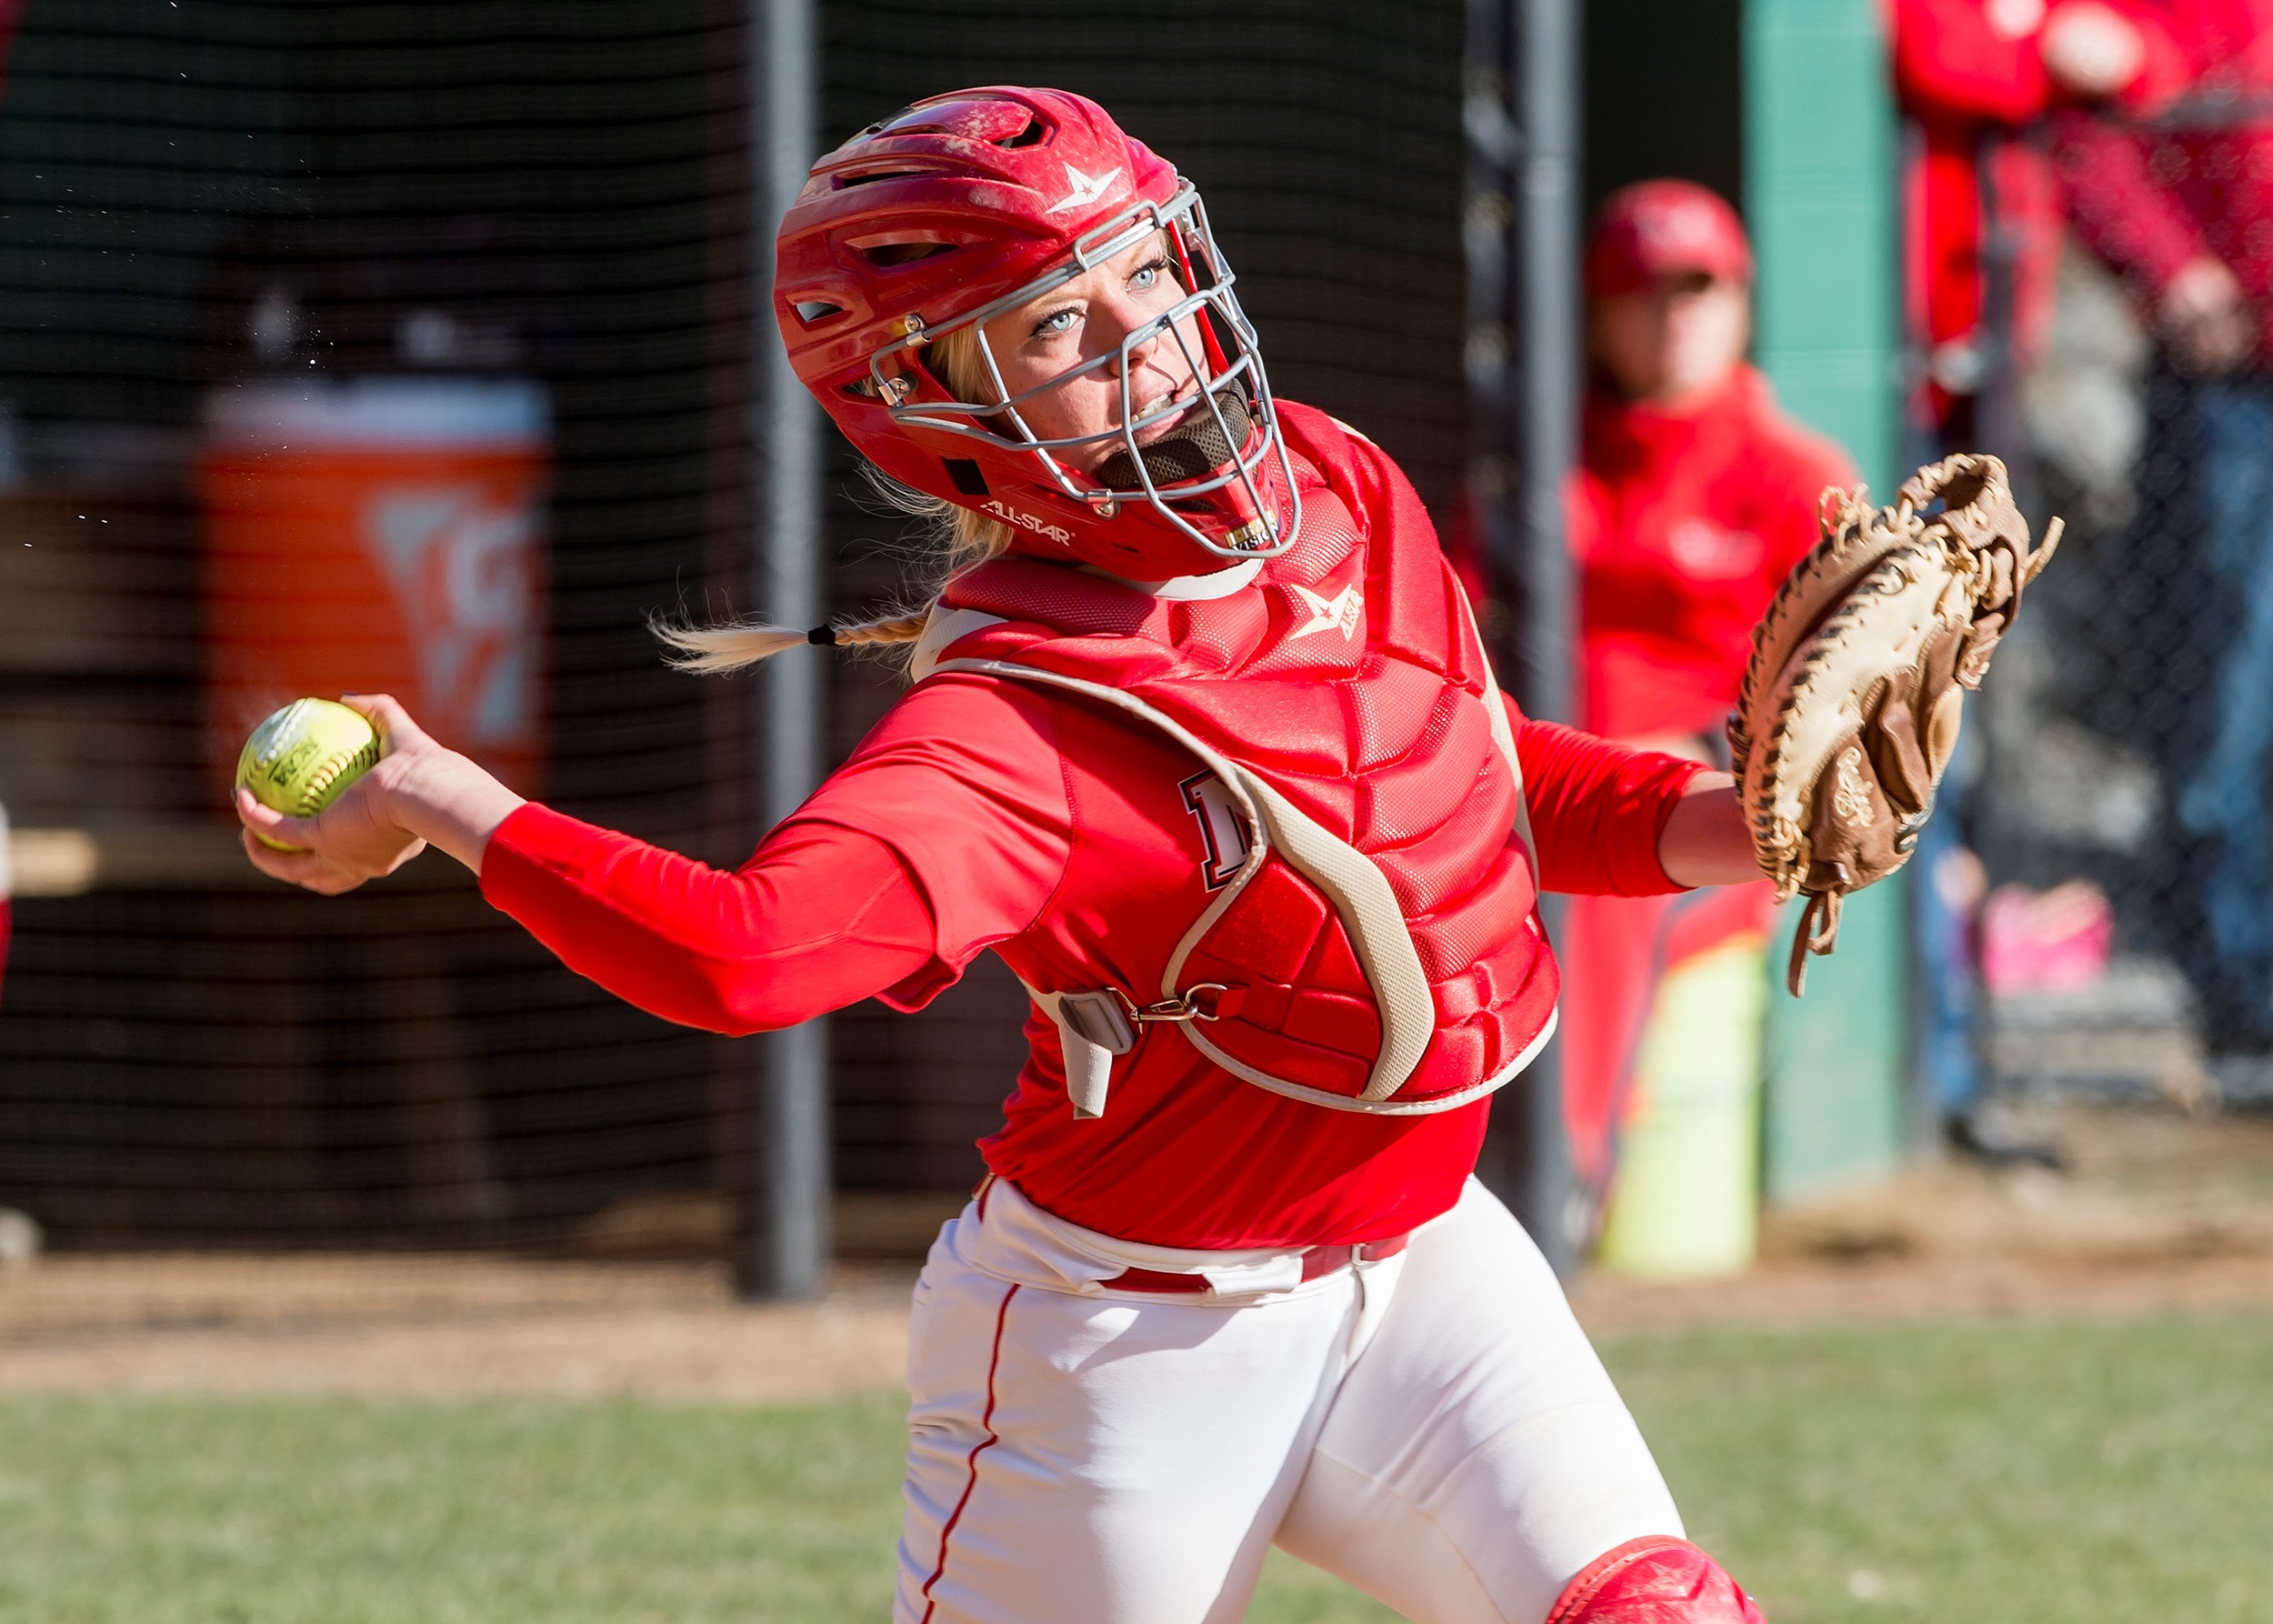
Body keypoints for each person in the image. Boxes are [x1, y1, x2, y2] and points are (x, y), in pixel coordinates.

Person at [238, 88, 1772, 1624]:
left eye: (1150, 268)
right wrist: (451, 805)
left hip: (1428, 1269)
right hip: (1124, 1352)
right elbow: (745, 952)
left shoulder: (1340, 489)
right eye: (1055, 325)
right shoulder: (1016, 728)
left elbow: (1474, 777)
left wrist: (1738, 817)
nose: (1146, 331)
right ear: (936, 411)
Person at [1560, 182, 1854, 1230]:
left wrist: (1693, 752)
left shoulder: (1794, 475)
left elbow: (1836, 712)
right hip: (1540, 771)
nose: (1672, 316)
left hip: (1710, 802)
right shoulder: (1544, 462)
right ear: (1595, 314)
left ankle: (1562, 1182)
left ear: (1740, 300)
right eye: (1640, 293)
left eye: (1697, 289)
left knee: (1595, 881)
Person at [2049, 1, 2273, 1057]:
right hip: (2228, 391)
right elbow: (2080, 141)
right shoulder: (2181, 15)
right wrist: (2170, 268)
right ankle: (2239, 999)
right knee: (2224, 699)